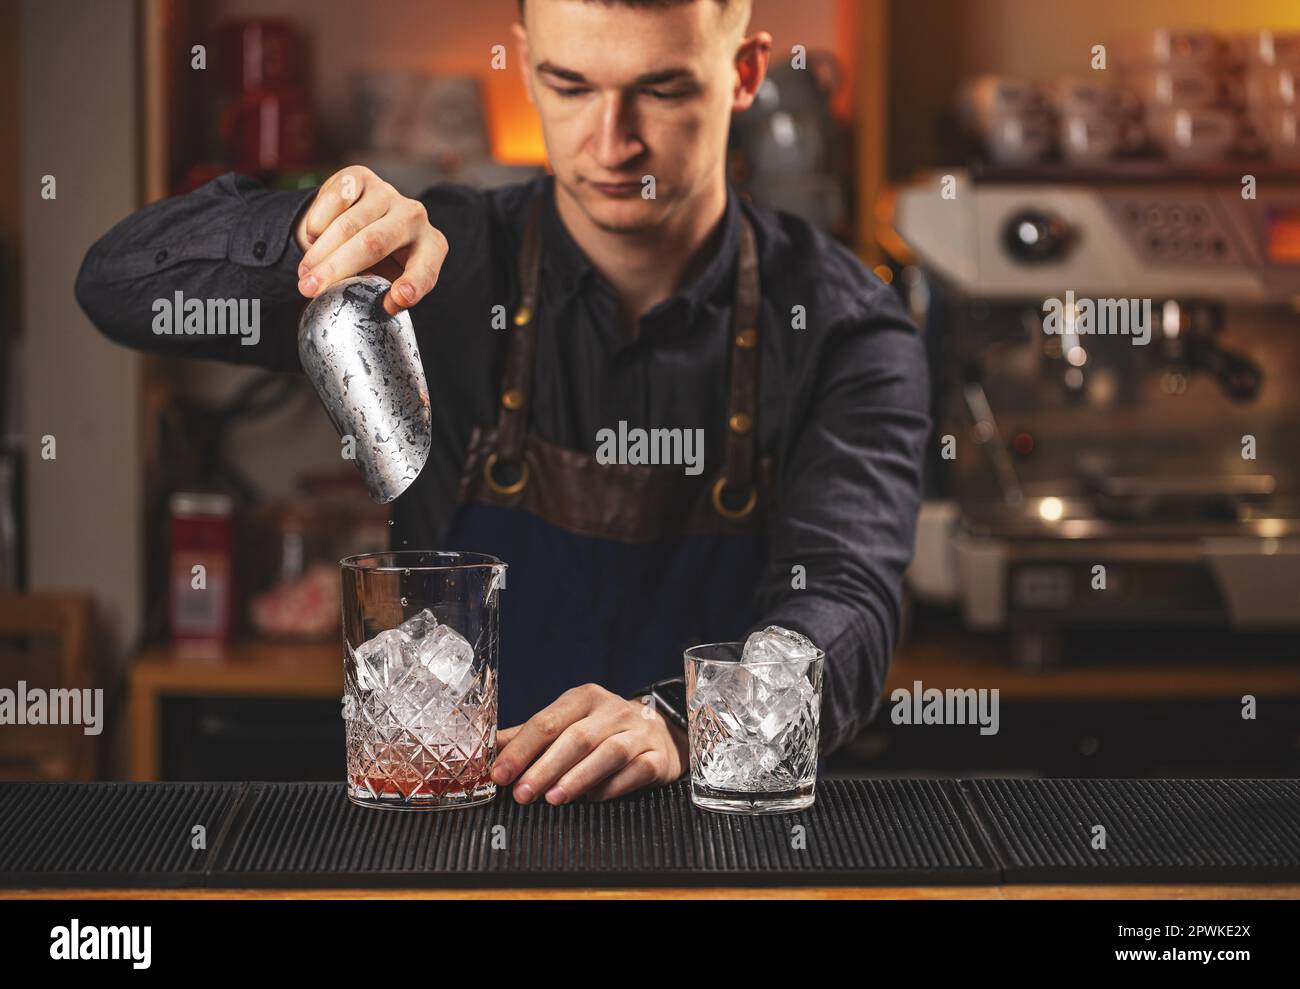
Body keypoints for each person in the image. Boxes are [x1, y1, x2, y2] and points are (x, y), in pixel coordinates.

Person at [76, 0, 930, 806]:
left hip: (719, 839)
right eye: (569, 85)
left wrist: (684, 721)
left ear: (744, 73)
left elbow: (847, 601)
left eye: (662, 89)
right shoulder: (436, 273)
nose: (612, 142)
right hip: (455, 828)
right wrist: (315, 226)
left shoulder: (842, 327)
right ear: (524, 65)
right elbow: (111, 284)